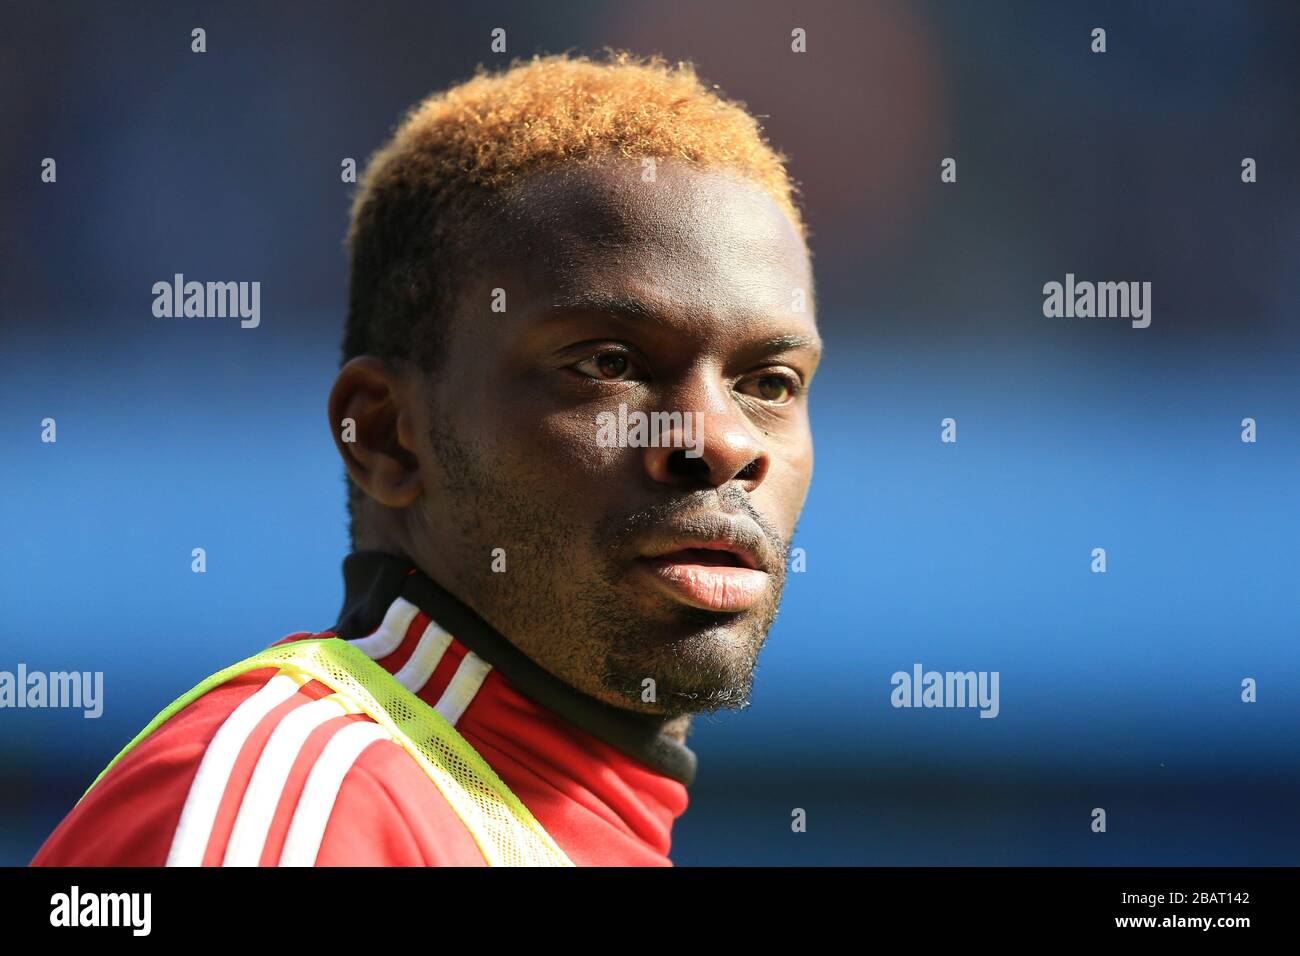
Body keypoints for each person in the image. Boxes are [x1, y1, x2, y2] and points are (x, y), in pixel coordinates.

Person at [33, 51, 822, 867]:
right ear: (385, 436)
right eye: (609, 364)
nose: (724, 444)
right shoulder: (308, 807)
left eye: (769, 382)